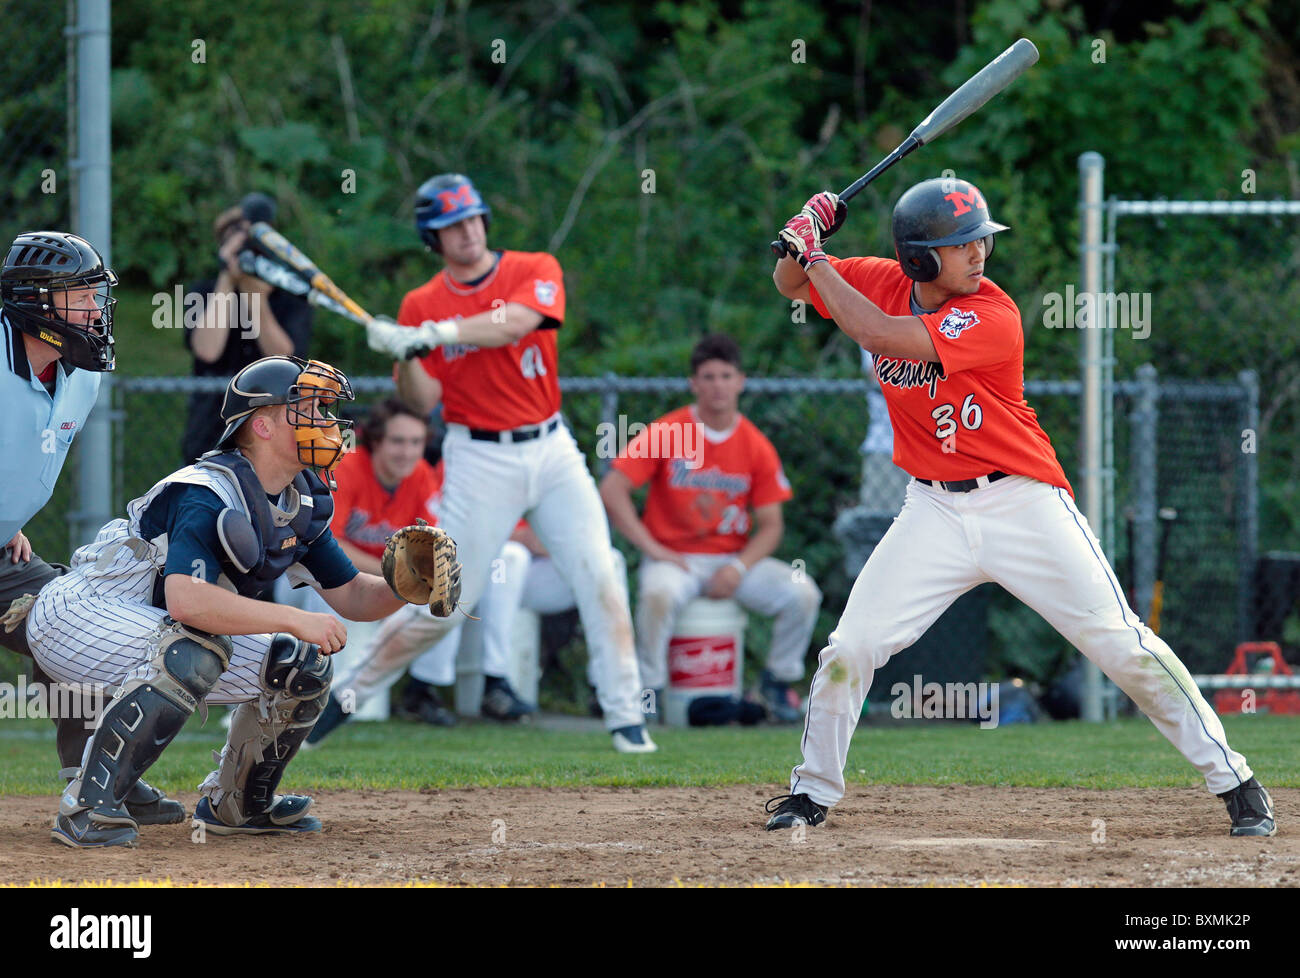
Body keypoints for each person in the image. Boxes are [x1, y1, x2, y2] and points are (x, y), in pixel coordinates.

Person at [761, 179, 1275, 838]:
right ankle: (810, 793)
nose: (979, 253)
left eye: (980, 238)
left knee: (1123, 646)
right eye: (960, 244)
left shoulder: (992, 313)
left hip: (1023, 503)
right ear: (919, 258)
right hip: (933, 512)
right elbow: (788, 284)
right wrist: (803, 234)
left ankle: (1235, 781)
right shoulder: (880, 280)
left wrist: (819, 257)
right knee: (849, 648)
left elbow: (880, 333)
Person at [25, 355, 450, 848]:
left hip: (144, 627)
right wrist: (293, 617)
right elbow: (188, 602)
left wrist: (407, 585)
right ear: (263, 425)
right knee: (193, 648)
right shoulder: (210, 490)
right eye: (309, 408)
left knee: (300, 667)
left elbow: (353, 595)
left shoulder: (297, 500)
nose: (327, 423)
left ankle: (236, 804)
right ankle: (88, 806)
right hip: (77, 615)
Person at [355, 172, 655, 753]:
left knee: (601, 571)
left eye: (471, 219)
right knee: (447, 598)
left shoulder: (533, 268)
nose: (466, 232)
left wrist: (436, 332)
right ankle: (350, 695)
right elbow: (421, 402)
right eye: (449, 226)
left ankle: (626, 719)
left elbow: (515, 322)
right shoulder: (420, 303)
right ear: (432, 238)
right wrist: (410, 351)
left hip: (551, 447)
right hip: (477, 455)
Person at [0, 230, 184, 826]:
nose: (94, 310)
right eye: (80, 296)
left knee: (72, 624)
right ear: (33, 300)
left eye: (95, 295)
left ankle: (96, 777)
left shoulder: (81, 374)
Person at [599, 333, 822, 723]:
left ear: (740, 381)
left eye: (725, 375)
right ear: (694, 383)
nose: (717, 385)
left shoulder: (755, 444)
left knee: (802, 593)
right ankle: (649, 691)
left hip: (731, 559)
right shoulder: (670, 430)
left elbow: (771, 526)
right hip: (676, 558)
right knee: (658, 593)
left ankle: (776, 682)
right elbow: (612, 489)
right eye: (708, 376)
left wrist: (738, 568)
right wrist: (652, 549)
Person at [294, 397, 535, 730]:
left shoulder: (420, 475)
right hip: (313, 581)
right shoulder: (345, 466)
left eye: (415, 442)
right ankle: (303, 694)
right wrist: (400, 573)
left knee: (445, 582)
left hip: (378, 583)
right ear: (376, 440)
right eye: (397, 441)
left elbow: (436, 546)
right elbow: (326, 546)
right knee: (334, 582)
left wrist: (415, 575)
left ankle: (424, 689)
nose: (406, 452)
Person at [180, 192, 313, 463]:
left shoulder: (290, 294)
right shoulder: (204, 292)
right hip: (210, 427)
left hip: (271, 428)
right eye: (236, 236)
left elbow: (285, 356)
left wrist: (256, 295)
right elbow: (207, 350)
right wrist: (228, 279)